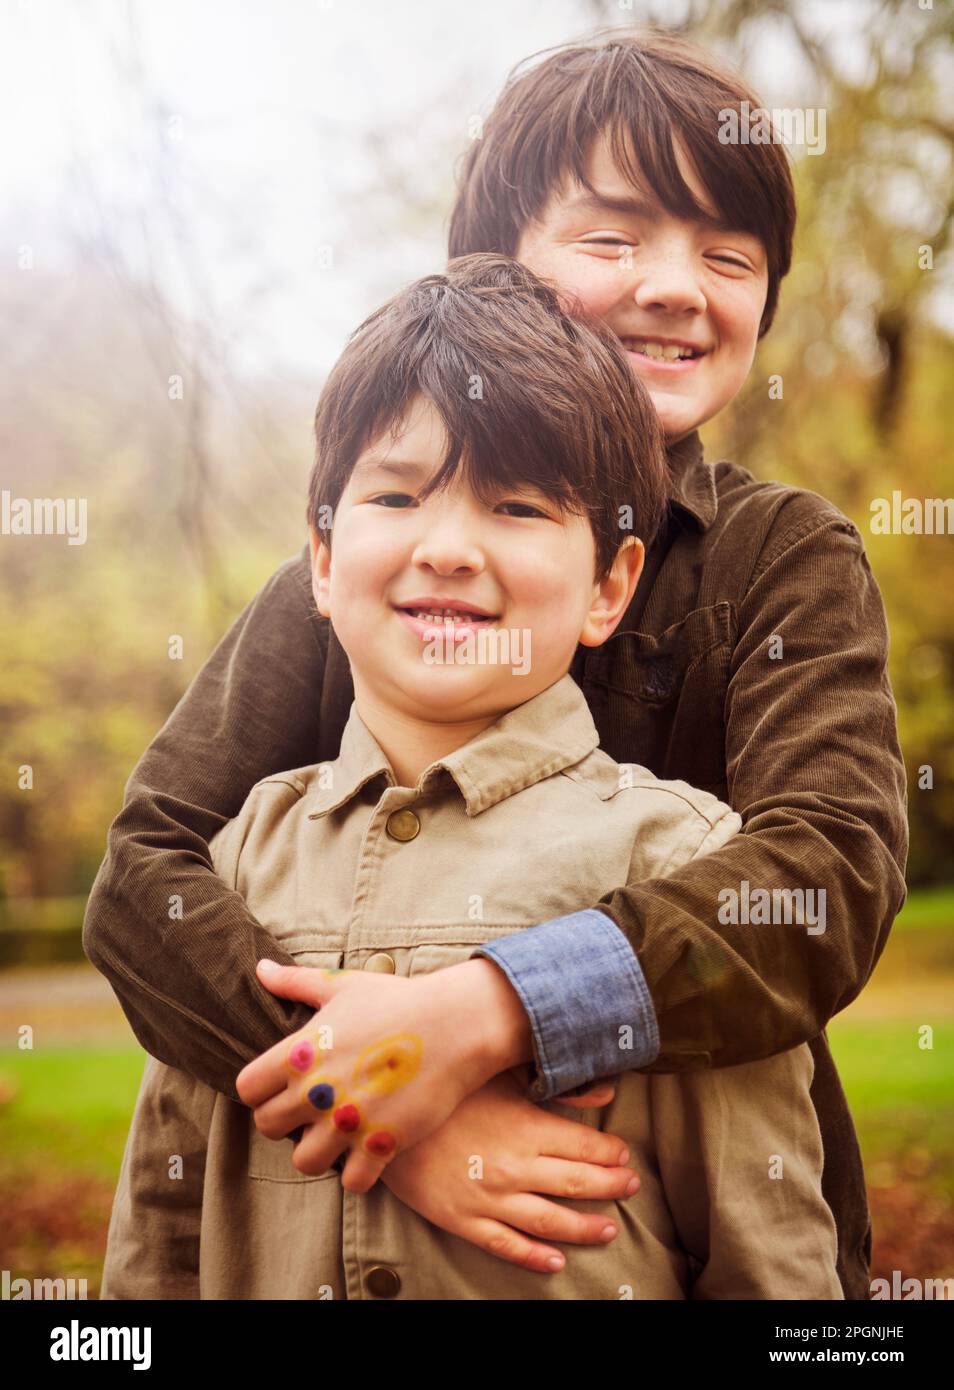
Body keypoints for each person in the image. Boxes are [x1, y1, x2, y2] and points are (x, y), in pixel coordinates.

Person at [85, 32, 907, 1298]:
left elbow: (824, 876)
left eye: (728, 257)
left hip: (685, 1225)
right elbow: (147, 881)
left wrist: (483, 1015)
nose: (679, 286)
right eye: (615, 236)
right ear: (490, 269)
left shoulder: (780, 557)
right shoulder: (375, 574)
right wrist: (370, 1101)